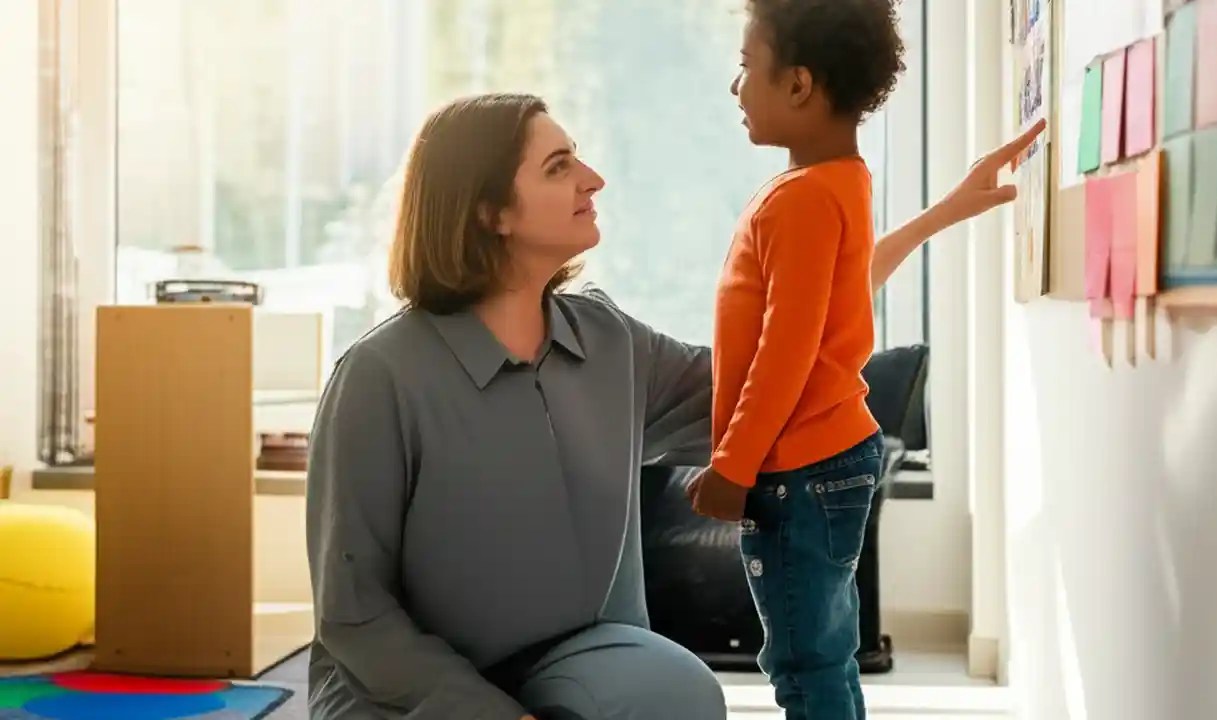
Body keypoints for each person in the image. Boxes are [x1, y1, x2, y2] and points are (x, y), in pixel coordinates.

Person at [305, 91, 1042, 718]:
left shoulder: (607, 341)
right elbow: (355, 616)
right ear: (489, 211)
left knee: (677, 692)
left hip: (574, 662)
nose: (593, 178)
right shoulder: (379, 377)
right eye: (559, 167)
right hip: (405, 694)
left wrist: (934, 218)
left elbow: (775, 361)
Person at [684, 2, 1043, 719]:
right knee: (826, 653)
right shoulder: (841, 177)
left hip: (799, 469)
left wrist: (735, 464)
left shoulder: (799, 200)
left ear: (799, 86)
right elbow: (843, 290)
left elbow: (788, 347)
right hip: (832, 460)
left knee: (803, 662)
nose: (735, 88)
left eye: (747, 67)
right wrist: (946, 210)